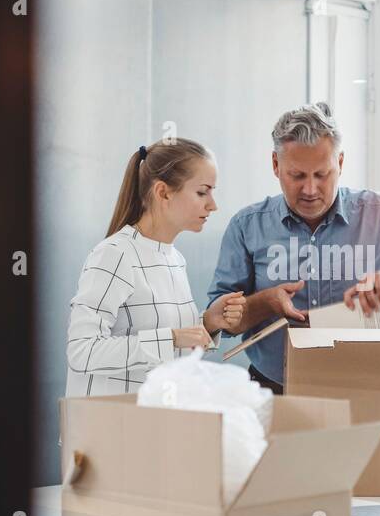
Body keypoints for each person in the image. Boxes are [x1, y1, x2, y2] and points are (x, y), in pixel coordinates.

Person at [206, 101, 380, 393]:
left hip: (366, 389)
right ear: (275, 165)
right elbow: (221, 320)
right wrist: (266, 302)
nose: (310, 189)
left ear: (341, 163)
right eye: (297, 175)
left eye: (322, 174)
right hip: (272, 389)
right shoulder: (247, 226)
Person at [65, 139, 246, 396]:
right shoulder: (114, 255)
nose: (212, 205)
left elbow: (164, 346)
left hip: (152, 422)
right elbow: (82, 351)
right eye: (202, 192)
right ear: (163, 192)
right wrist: (171, 338)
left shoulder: (175, 259)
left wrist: (208, 323)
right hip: (108, 428)